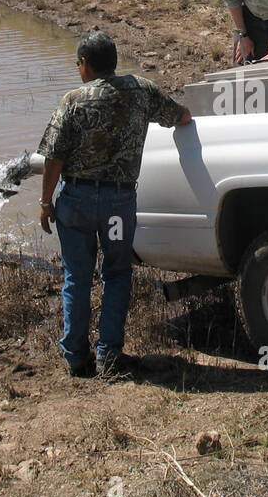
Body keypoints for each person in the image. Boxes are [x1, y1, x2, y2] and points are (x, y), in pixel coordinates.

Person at [37, 31, 192, 378]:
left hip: (76, 200)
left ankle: (76, 358)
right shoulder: (142, 90)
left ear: (84, 65)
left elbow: (53, 160)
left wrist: (46, 203)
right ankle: (109, 355)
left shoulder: (73, 101)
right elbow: (181, 117)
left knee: (77, 276)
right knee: (117, 274)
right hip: (119, 203)